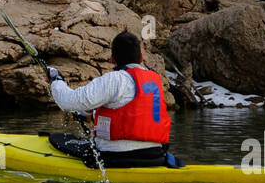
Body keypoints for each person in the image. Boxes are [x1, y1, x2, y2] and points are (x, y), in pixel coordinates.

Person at [45, 30, 181, 169]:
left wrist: (56, 80)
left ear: (112, 59)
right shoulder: (153, 78)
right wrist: (89, 116)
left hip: (118, 157)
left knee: (58, 139)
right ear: (141, 57)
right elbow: (135, 112)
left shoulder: (115, 79)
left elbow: (69, 102)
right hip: (155, 155)